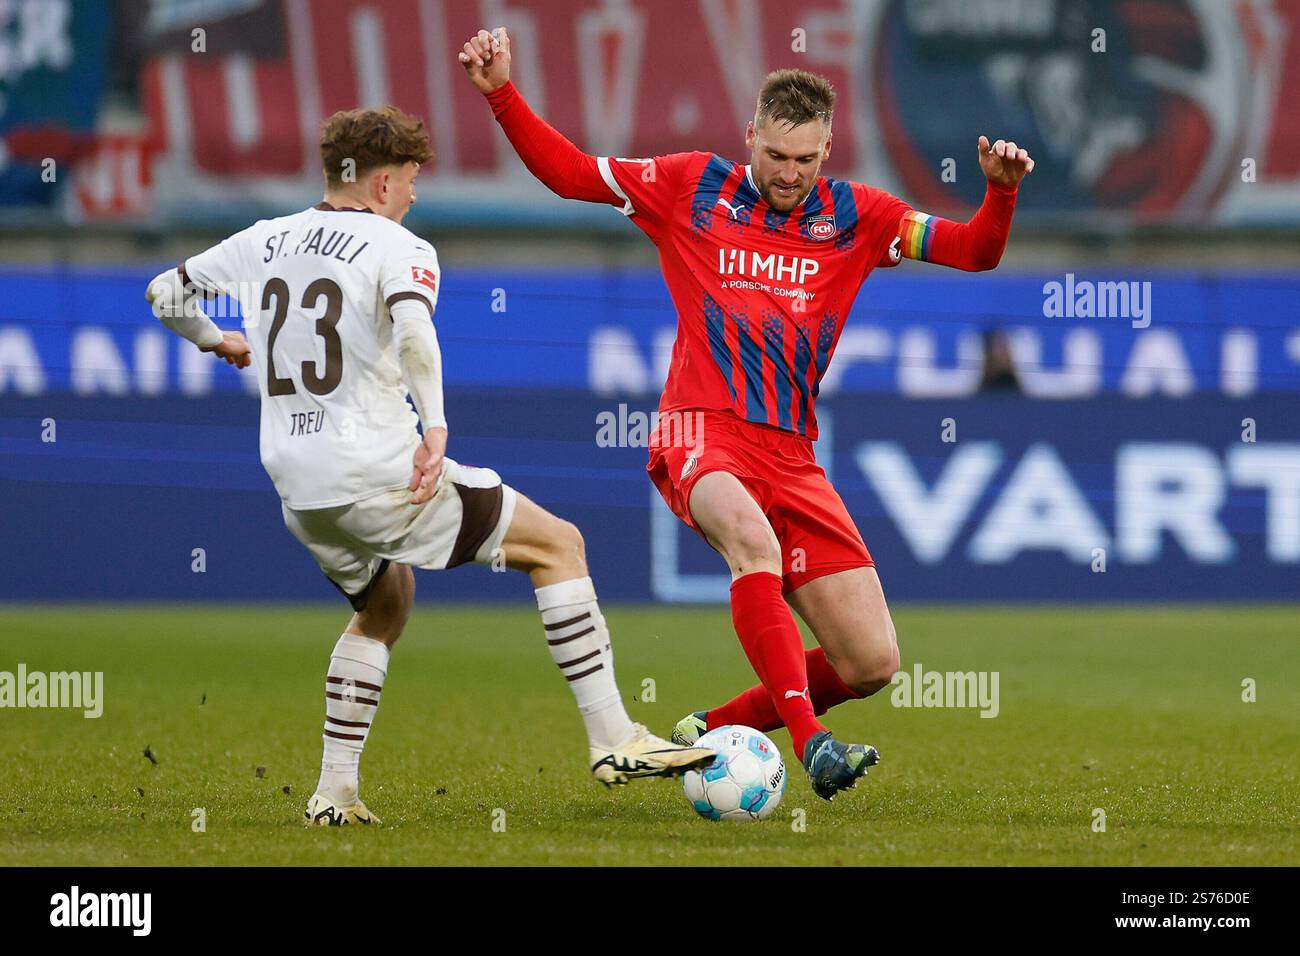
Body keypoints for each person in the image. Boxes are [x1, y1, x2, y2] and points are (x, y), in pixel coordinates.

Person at [459, 28, 1032, 799]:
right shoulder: (689, 185)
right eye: (777, 156)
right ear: (750, 137)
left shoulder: (859, 215)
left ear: (828, 149)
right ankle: (811, 742)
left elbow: (973, 251)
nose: (790, 174)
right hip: (700, 429)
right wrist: (501, 91)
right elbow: (569, 174)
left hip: (793, 454)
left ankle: (710, 723)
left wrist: (999, 192)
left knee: (872, 662)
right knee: (752, 547)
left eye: (807, 159)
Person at [145, 105, 713, 826]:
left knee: (386, 605)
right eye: (410, 179)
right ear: (382, 182)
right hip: (378, 470)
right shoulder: (394, 244)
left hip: (297, 488)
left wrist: (213, 338)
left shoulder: (263, 240)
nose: (415, 195)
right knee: (558, 544)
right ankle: (615, 739)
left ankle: (336, 794)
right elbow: (415, 336)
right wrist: (436, 427)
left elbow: (164, 293)